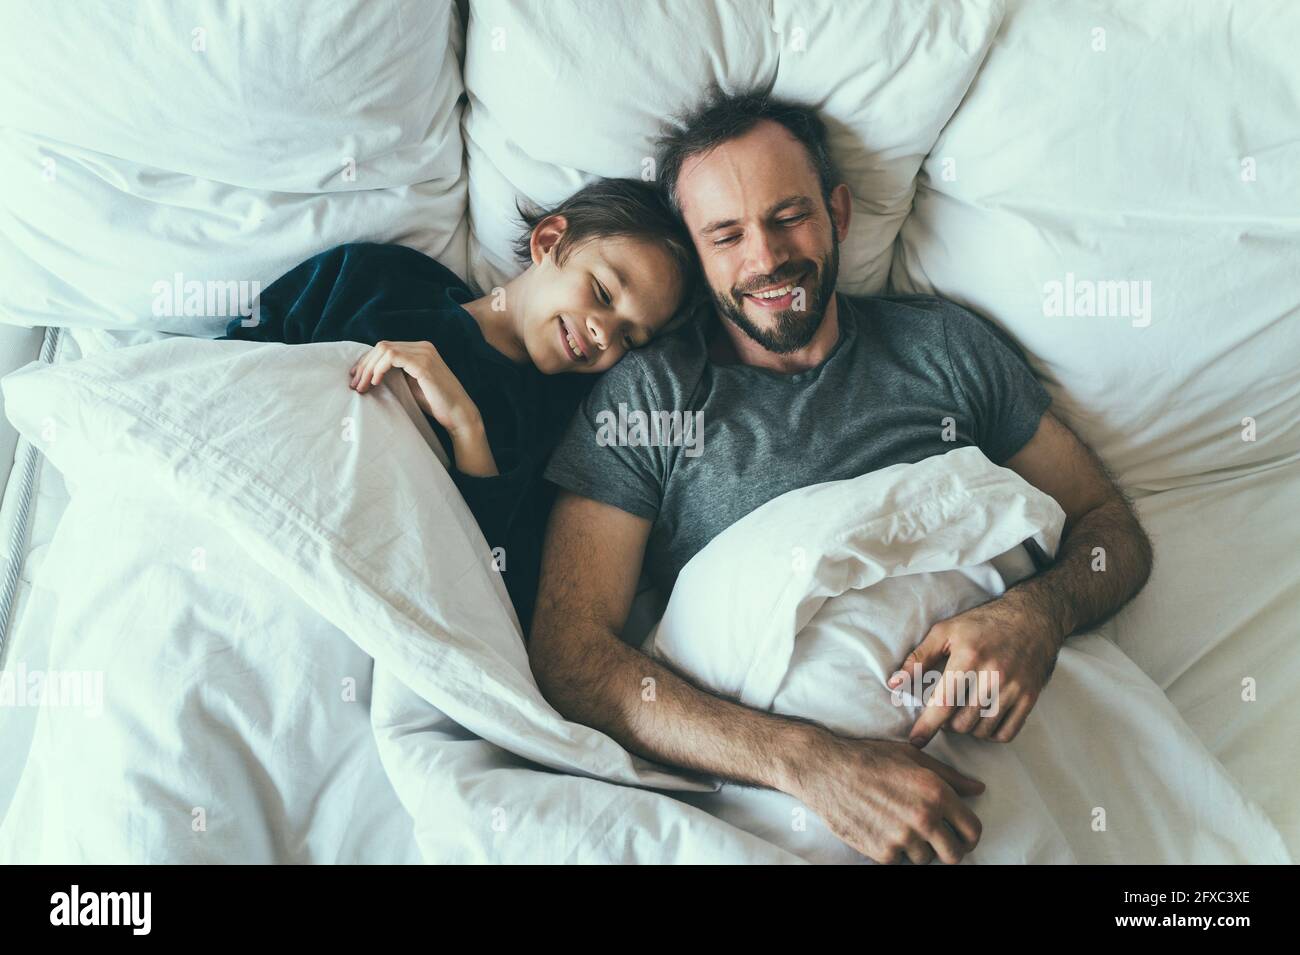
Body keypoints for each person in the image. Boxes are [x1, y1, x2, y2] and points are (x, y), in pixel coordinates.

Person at [529, 89, 1154, 865]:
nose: (765, 259)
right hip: (789, 792)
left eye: (789, 216)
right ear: (696, 255)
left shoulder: (943, 346)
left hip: (1008, 742)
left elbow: (1111, 531)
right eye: (726, 235)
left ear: (840, 213)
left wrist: (1037, 615)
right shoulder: (651, 397)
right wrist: (814, 765)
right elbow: (570, 653)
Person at [222, 178, 696, 634]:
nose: (604, 335)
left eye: (630, 337)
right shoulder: (382, 279)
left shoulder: (559, 428)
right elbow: (233, 367)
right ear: (550, 240)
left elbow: (494, 591)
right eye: (603, 293)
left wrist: (467, 429)